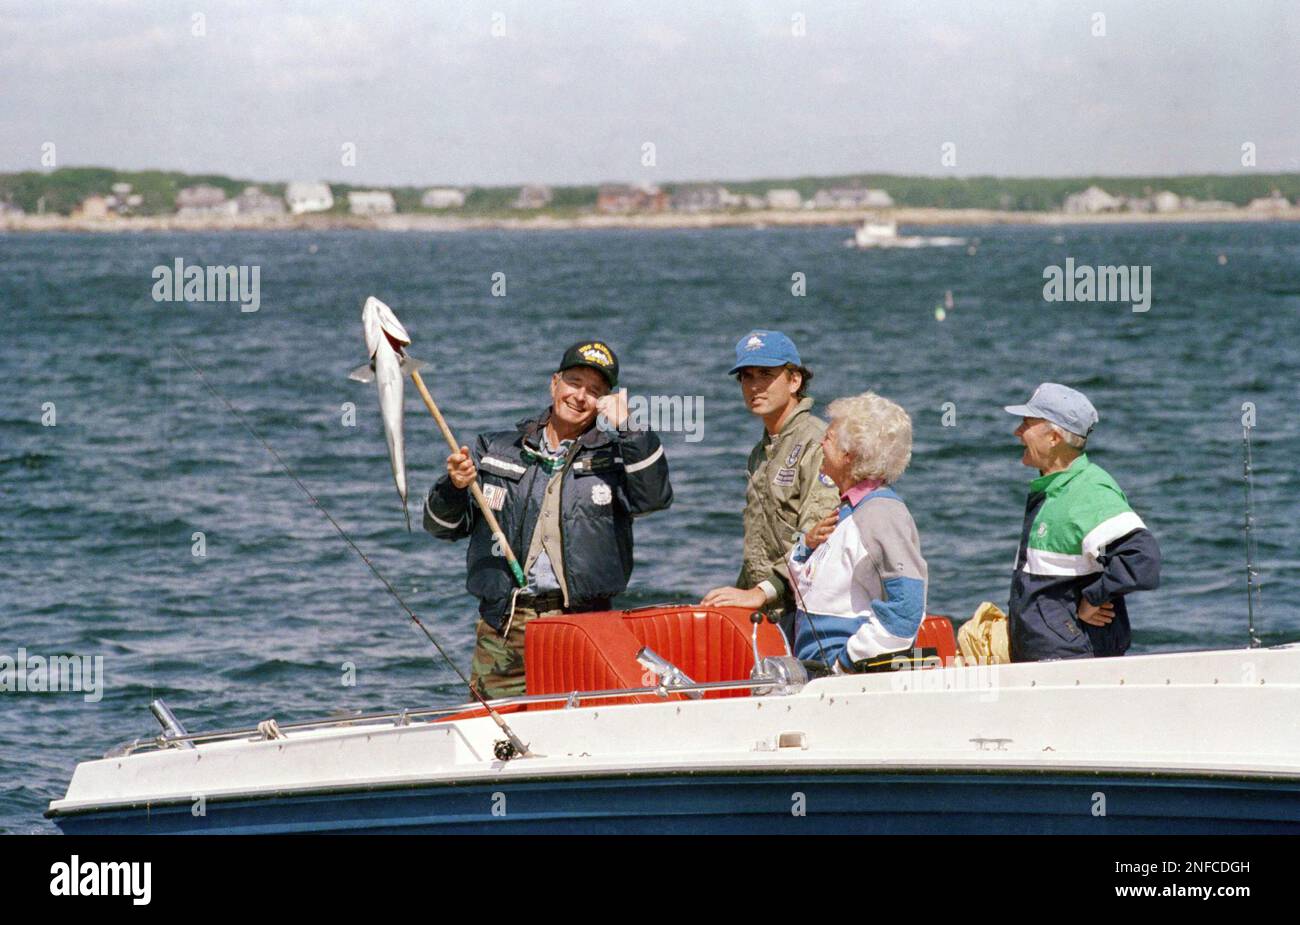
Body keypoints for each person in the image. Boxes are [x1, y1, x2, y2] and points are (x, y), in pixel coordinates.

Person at [424, 340, 673, 698]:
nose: (580, 396)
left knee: (580, 736)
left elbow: (655, 497)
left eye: (595, 391)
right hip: (505, 626)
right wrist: (453, 486)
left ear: (606, 401)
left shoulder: (616, 457)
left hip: (584, 625)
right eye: (574, 382)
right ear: (554, 383)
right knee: (489, 733)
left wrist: (631, 427)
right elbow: (440, 527)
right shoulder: (492, 449)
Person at [1001, 383, 1161, 662]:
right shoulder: (1056, 487)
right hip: (1049, 657)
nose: (1017, 432)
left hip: (1072, 660)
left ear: (1053, 437)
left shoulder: (1089, 491)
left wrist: (1092, 599)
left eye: (1026, 423)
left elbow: (1143, 560)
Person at [701, 330, 840, 643]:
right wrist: (740, 595)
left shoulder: (816, 443)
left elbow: (818, 536)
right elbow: (761, 544)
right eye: (746, 376)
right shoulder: (761, 452)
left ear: (795, 381)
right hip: (771, 610)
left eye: (766, 374)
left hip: (807, 614)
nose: (754, 386)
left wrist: (760, 592)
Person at [785, 392, 928, 672]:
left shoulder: (880, 514)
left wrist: (847, 662)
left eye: (828, 438)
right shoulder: (849, 510)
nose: (820, 443)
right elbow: (810, 588)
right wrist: (805, 547)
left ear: (848, 456)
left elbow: (907, 610)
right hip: (819, 674)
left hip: (844, 682)